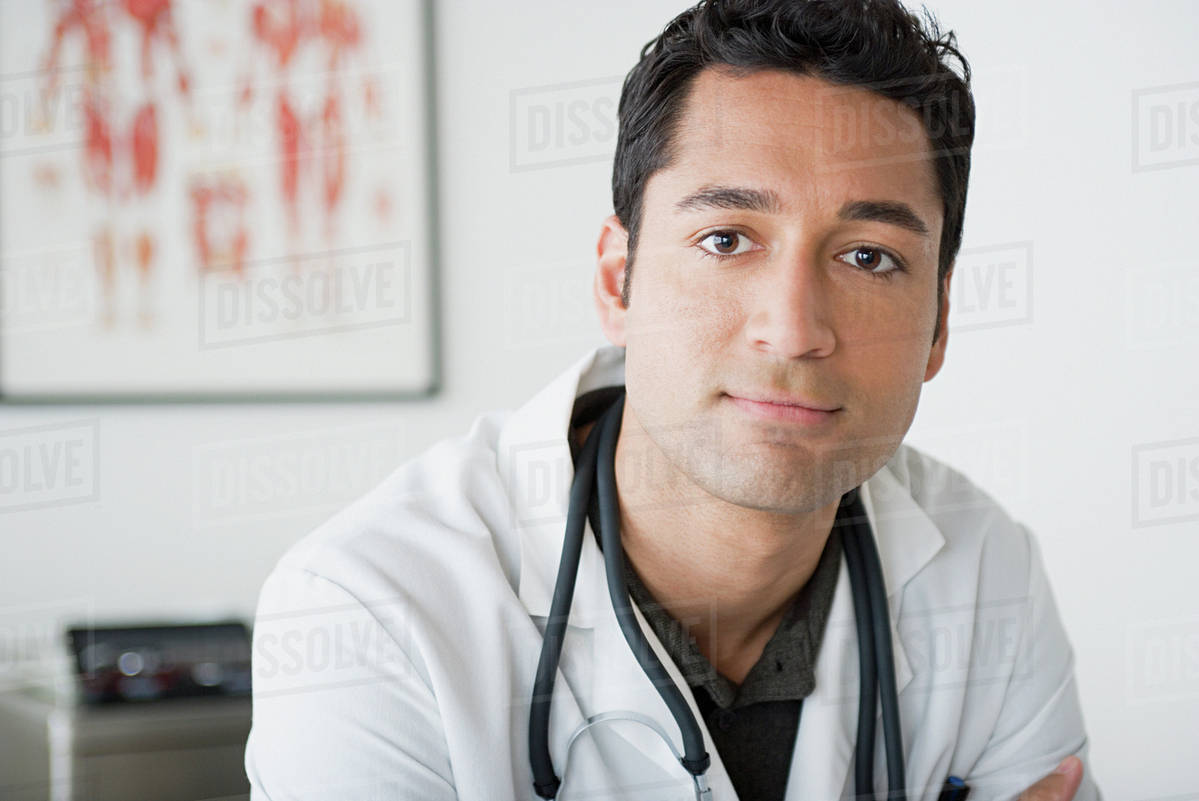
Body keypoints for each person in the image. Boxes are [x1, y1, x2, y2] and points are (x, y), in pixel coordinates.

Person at [244, 1, 1102, 799]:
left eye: (869, 256)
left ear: (940, 323)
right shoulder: (369, 609)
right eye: (726, 239)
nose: (794, 330)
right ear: (617, 281)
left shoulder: (987, 571)